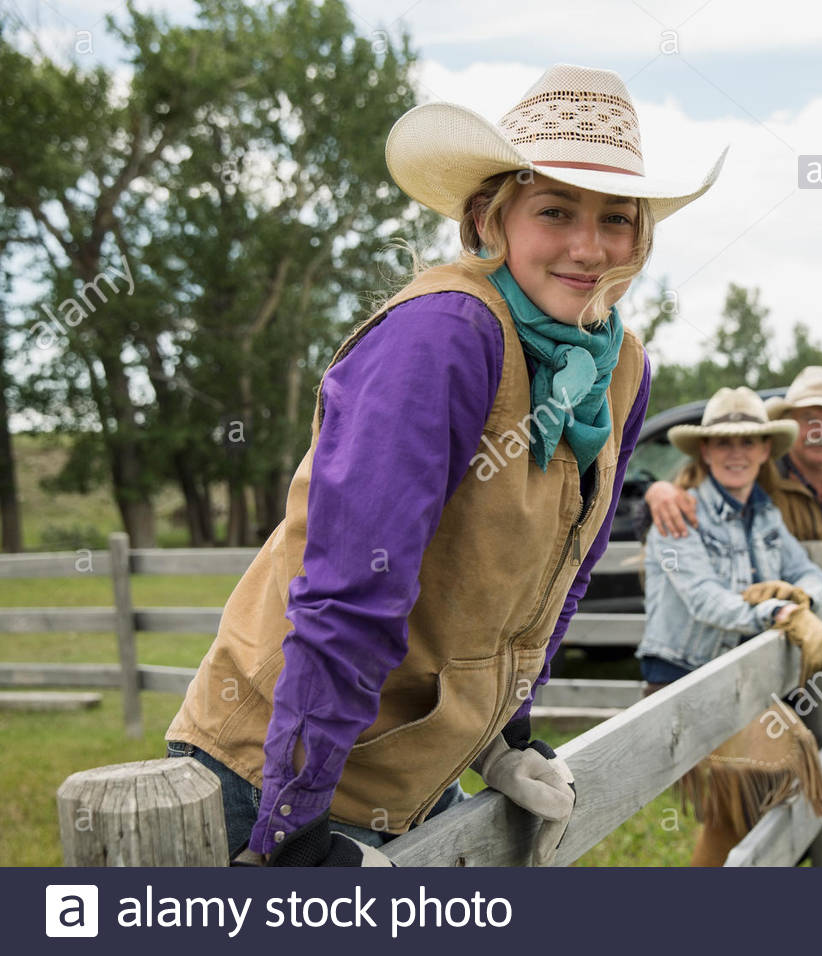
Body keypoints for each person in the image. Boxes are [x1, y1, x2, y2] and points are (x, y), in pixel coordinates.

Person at [164, 64, 726, 867]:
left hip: (415, 785)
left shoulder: (621, 366)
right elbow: (351, 592)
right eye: (555, 210)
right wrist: (294, 829)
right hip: (274, 775)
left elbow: (564, 572)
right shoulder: (446, 334)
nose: (589, 247)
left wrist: (503, 735)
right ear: (488, 220)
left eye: (617, 218)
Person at [636, 386, 822, 865]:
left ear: (765, 449)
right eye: (724, 442)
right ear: (705, 450)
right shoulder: (679, 514)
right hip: (684, 675)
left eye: (748, 442)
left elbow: (812, 574)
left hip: (737, 676)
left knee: (752, 805)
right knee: (742, 803)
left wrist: (799, 595)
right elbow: (706, 600)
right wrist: (779, 614)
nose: (736, 453)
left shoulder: (764, 513)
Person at [646, 366, 822, 612]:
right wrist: (658, 492)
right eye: (808, 419)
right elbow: (680, 511)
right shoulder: (756, 478)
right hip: (772, 621)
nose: (818, 430)